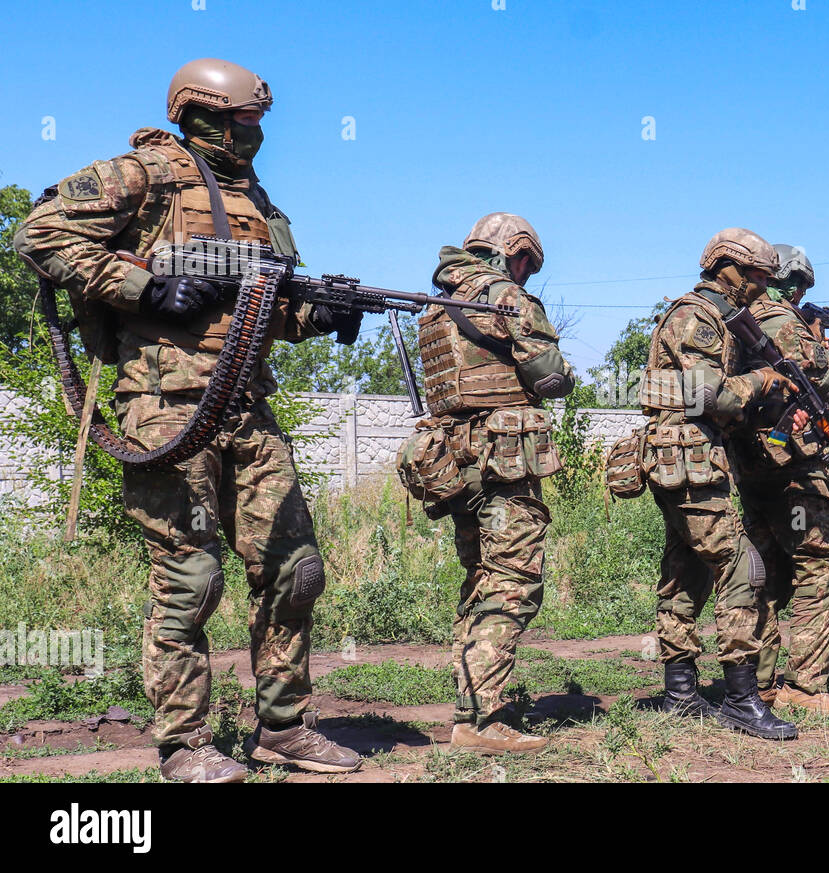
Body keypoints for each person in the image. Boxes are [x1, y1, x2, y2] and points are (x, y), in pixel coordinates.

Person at [15, 58, 362, 782]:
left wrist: (320, 314)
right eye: (244, 122)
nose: (255, 135)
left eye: (260, 123)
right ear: (204, 114)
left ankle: (286, 726)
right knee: (191, 577)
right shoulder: (141, 174)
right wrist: (146, 286)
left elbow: (268, 305)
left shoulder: (256, 201)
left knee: (297, 570)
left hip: (246, 403)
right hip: (165, 407)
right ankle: (184, 743)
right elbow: (38, 233)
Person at [414, 212, 574, 754]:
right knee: (512, 583)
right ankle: (481, 721)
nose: (527, 274)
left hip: (454, 462)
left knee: (481, 579)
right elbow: (550, 376)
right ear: (512, 252)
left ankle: (471, 707)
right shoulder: (506, 297)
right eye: (526, 262)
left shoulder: (438, 305)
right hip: (503, 463)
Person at [640, 228, 802, 740]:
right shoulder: (698, 316)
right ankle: (740, 697)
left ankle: (681, 693)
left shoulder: (718, 317)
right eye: (756, 275)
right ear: (726, 267)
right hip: (688, 457)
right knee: (742, 567)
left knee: (686, 569)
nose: (762, 286)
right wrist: (763, 381)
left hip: (687, 459)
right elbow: (709, 396)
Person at [734, 245, 829, 714]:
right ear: (796, 283)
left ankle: (759, 682)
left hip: (752, 464)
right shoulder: (784, 321)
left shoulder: (738, 317)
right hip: (792, 469)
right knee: (821, 563)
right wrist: (820, 340)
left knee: (763, 570)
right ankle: (806, 685)